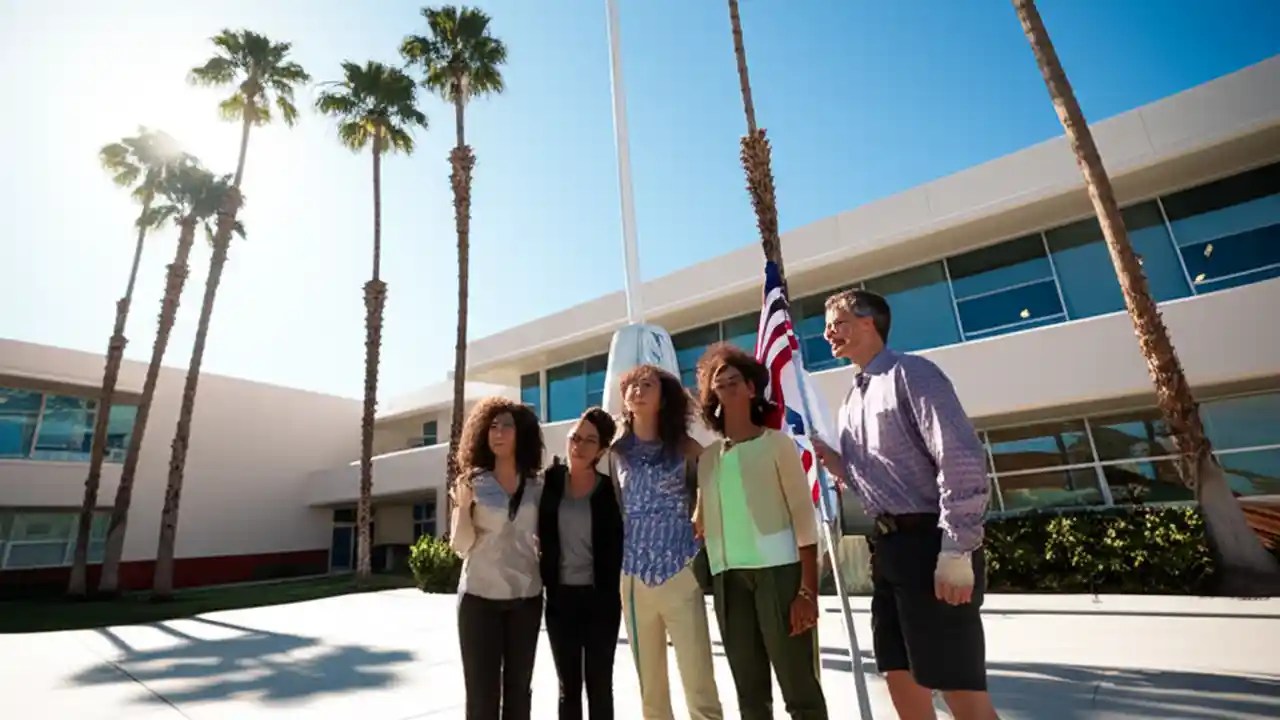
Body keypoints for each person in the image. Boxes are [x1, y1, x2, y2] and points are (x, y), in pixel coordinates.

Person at [812, 289, 999, 720]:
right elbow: (871, 481)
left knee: (960, 692)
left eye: (836, 323)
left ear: (868, 322)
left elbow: (960, 458)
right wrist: (833, 460)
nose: (827, 334)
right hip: (889, 554)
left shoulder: (912, 374)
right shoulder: (852, 399)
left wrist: (957, 548)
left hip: (932, 546)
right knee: (901, 681)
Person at [693, 343, 828, 720]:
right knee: (750, 695)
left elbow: (804, 520)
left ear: (752, 389)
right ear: (712, 396)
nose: (727, 387)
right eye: (719, 384)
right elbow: (700, 520)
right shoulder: (707, 459)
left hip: (779, 576)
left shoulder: (777, 444)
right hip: (727, 581)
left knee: (799, 688)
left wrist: (807, 592)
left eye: (735, 380)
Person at [611, 364, 723, 720]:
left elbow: (715, 474)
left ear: (663, 398)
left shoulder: (683, 446)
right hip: (632, 577)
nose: (638, 391)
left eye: (647, 385)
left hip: (680, 570)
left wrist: (701, 509)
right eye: (632, 386)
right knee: (651, 692)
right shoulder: (615, 452)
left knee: (699, 680)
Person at [449, 397, 546, 720]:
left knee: (519, 693)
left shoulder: (538, 485)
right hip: (480, 598)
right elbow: (461, 545)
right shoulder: (472, 483)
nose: (499, 432)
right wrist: (462, 507)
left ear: (522, 434)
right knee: (481, 696)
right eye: (492, 426)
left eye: (507, 425)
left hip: (526, 597)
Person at [538, 407, 625, 720]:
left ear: (601, 449)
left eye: (590, 440)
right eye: (575, 437)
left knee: (600, 686)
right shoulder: (550, 482)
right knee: (568, 688)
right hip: (560, 600)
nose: (579, 445)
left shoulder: (609, 491)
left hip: (600, 600)